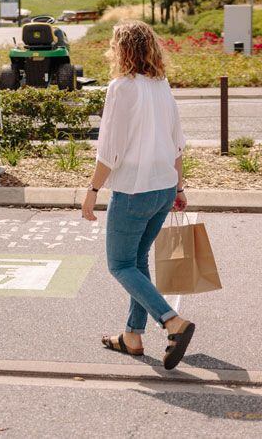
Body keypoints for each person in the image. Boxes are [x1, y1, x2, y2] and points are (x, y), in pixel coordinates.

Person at [81, 19, 195, 370]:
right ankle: (132, 334)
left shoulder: (121, 88)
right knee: (138, 260)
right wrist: (178, 187)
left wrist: (91, 191)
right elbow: (177, 142)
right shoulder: (162, 85)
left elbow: (109, 152)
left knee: (119, 264)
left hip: (134, 191)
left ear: (122, 51)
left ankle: (171, 321)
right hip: (162, 187)